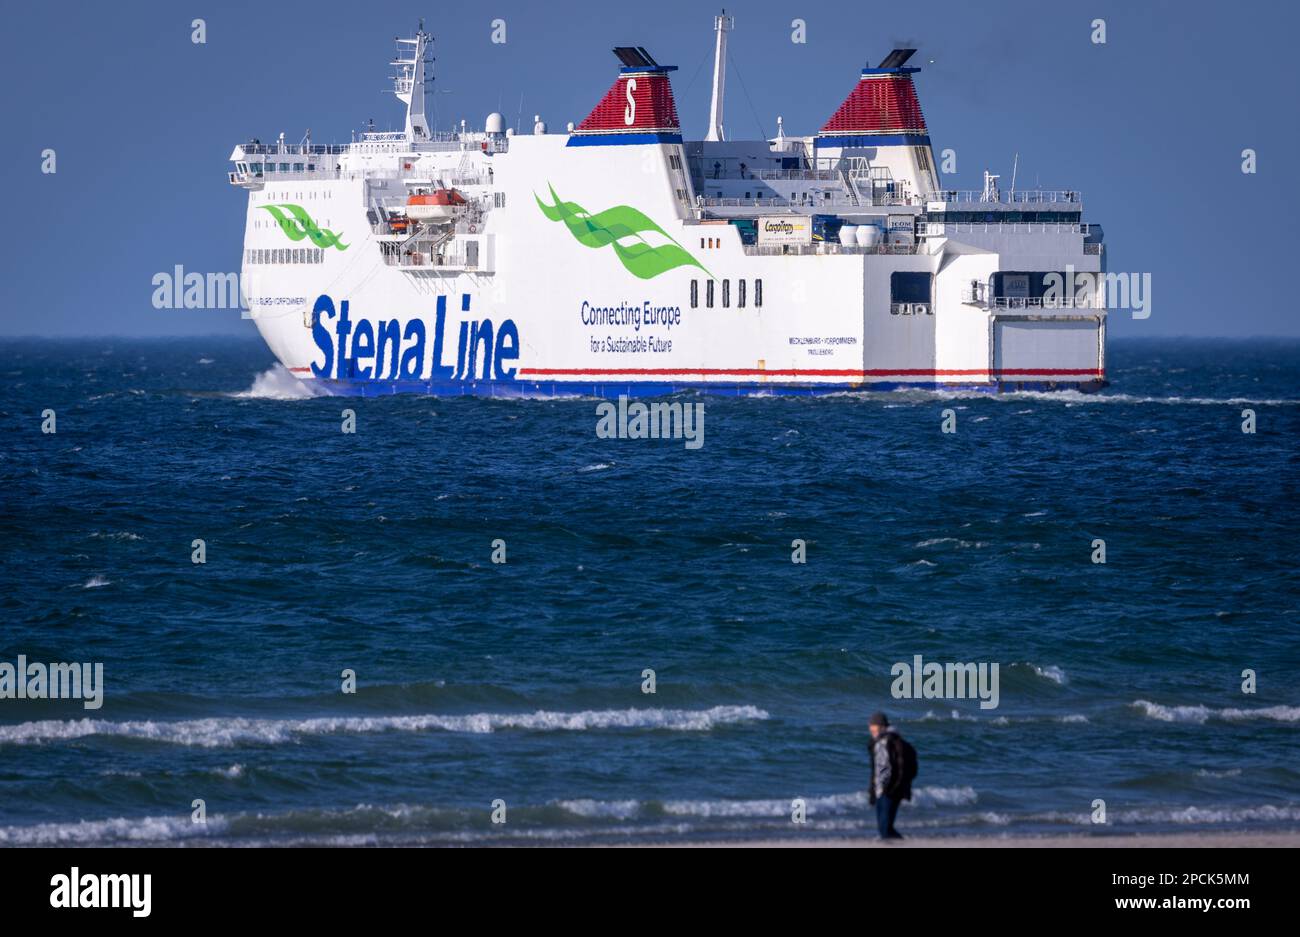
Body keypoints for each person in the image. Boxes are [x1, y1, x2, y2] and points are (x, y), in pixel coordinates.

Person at [868, 711, 915, 840]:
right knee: (884, 828)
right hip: (880, 789)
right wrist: (873, 790)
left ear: (882, 726)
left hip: (892, 790)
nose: (871, 728)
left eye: (874, 725)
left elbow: (902, 768)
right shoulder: (876, 743)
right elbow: (876, 769)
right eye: (870, 725)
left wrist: (894, 787)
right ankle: (900, 842)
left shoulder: (892, 742)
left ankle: (898, 842)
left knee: (885, 828)